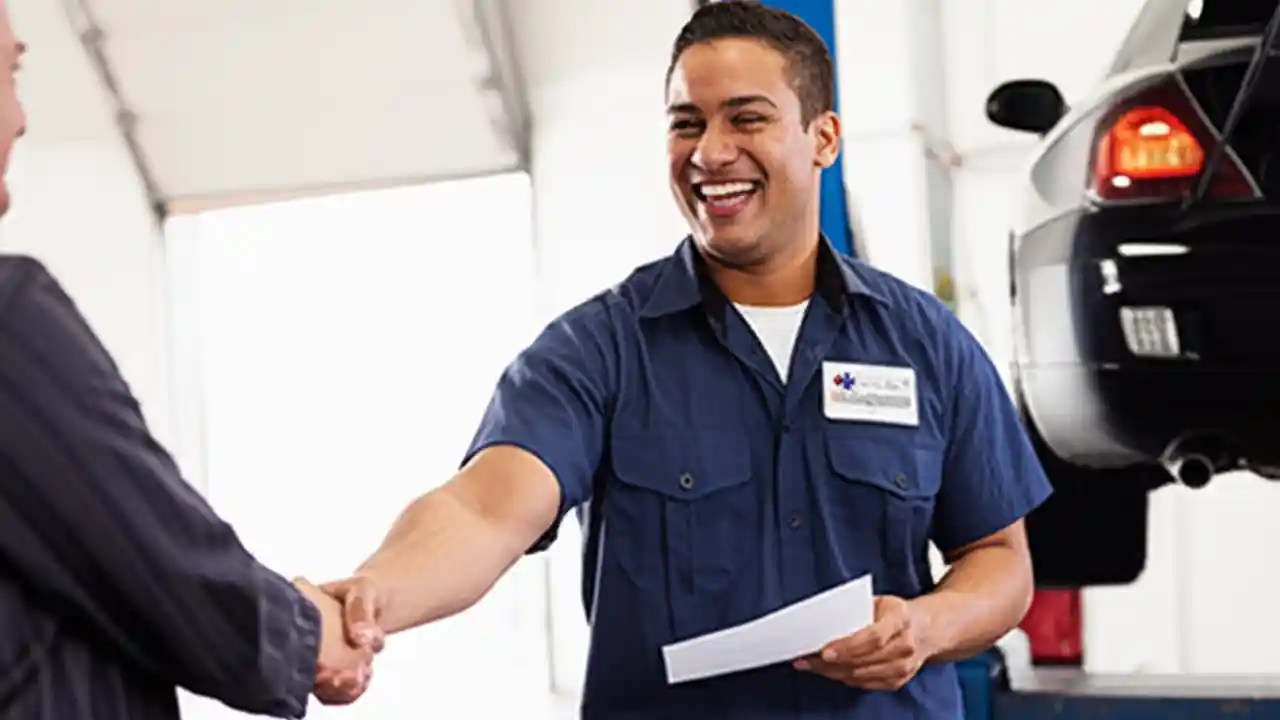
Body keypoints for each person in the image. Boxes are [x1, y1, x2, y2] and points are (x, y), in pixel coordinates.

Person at [316, 2, 1053, 717]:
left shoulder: (927, 344)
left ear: (823, 137)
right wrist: (373, 592)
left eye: (747, 117)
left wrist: (928, 628)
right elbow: (484, 510)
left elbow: (1000, 561)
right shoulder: (598, 351)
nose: (710, 151)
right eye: (687, 124)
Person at [0, 3, 373, 717]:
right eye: (7, 75)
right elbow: (173, 577)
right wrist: (316, 632)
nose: (19, 119)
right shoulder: (8, 318)